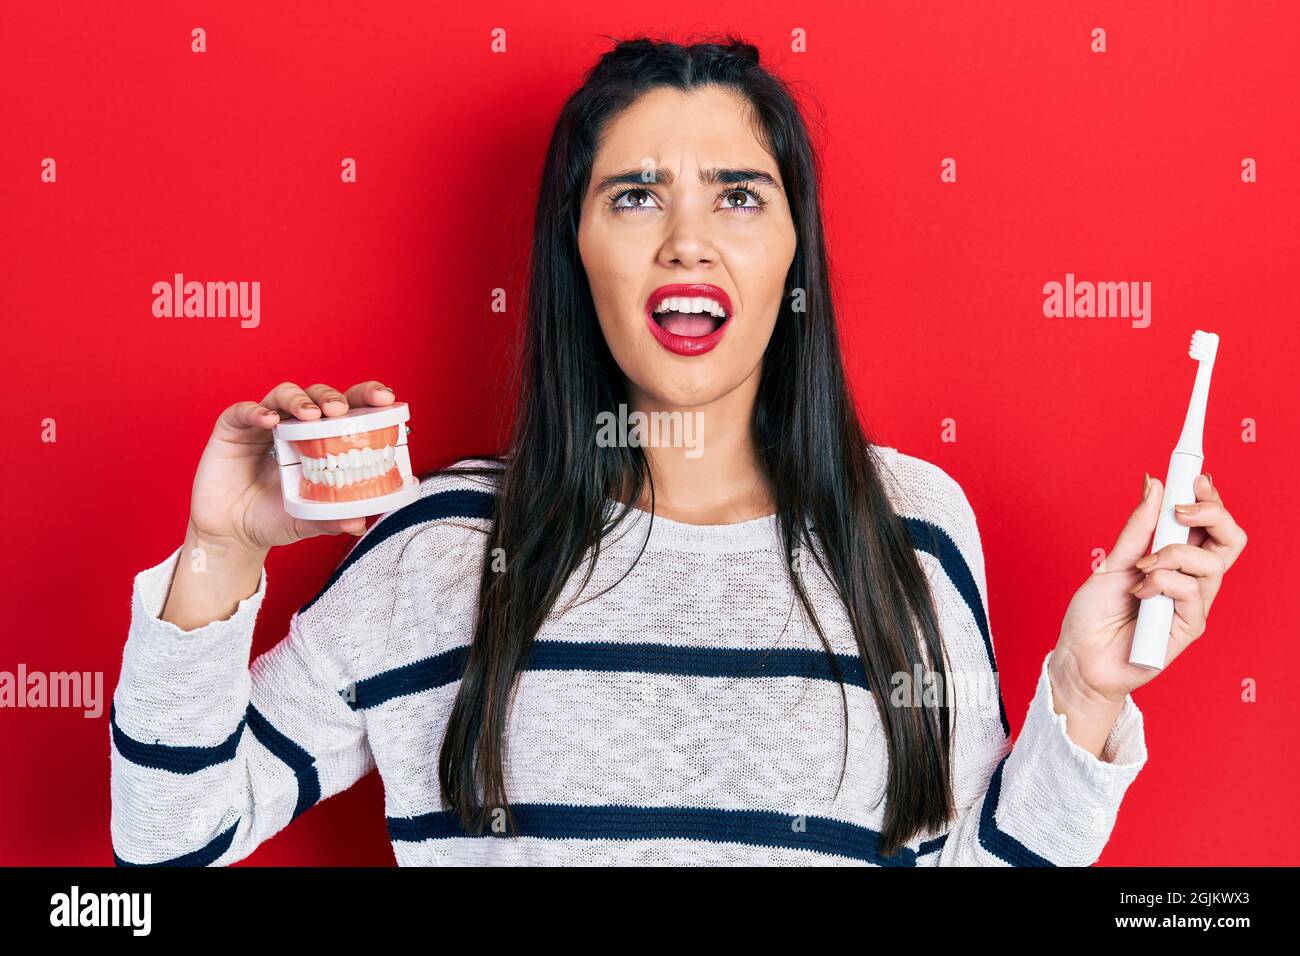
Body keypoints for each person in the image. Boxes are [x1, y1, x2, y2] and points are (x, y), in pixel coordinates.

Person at [109, 35, 1247, 867]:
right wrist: (219, 555)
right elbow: (166, 841)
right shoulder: (441, 546)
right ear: (578, 246)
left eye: (739, 196)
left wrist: (1085, 695)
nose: (688, 240)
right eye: (637, 195)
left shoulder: (909, 527)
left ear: (794, 250)